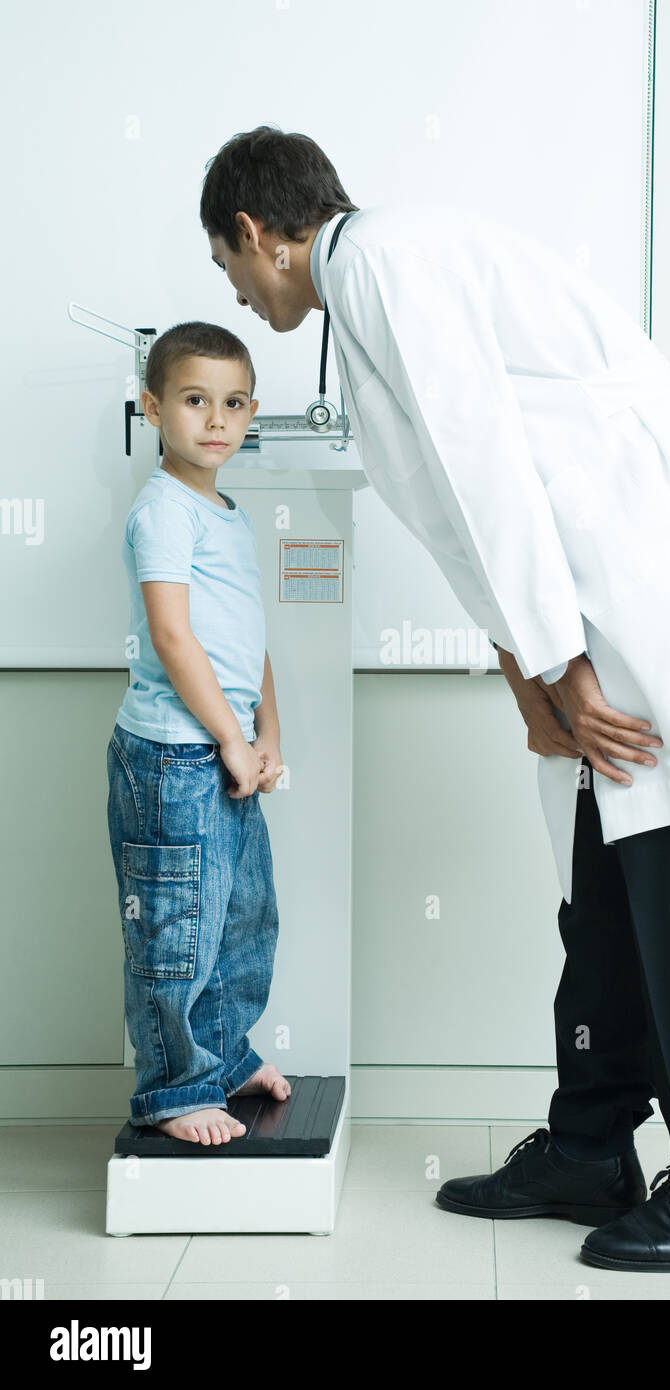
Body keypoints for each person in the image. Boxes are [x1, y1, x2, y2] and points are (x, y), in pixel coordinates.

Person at [198, 126, 670, 1269]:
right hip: (581, 599)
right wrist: (529, 671)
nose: (230, 289)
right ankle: (590, 1143)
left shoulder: (380, 263)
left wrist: (561, 659)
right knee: (604, 884)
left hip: (636, 573)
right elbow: (457, 506)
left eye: (224, 264)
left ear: (253, 231)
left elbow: (487, 468)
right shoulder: (366, 292)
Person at [106, 321, 290, 1146]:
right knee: (175, 931)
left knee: (240, 920)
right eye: (192, 401)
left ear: (251, 412)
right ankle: (176, 1091)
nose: (215, 420)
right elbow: (174, 638)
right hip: (174, 757)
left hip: (223, 749)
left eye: (232, 403)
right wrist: (226, 738)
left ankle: (222, 1057)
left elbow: (248, 641)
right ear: (152, 408)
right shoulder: (163, 512)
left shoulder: (227, 513)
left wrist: (265, 736)